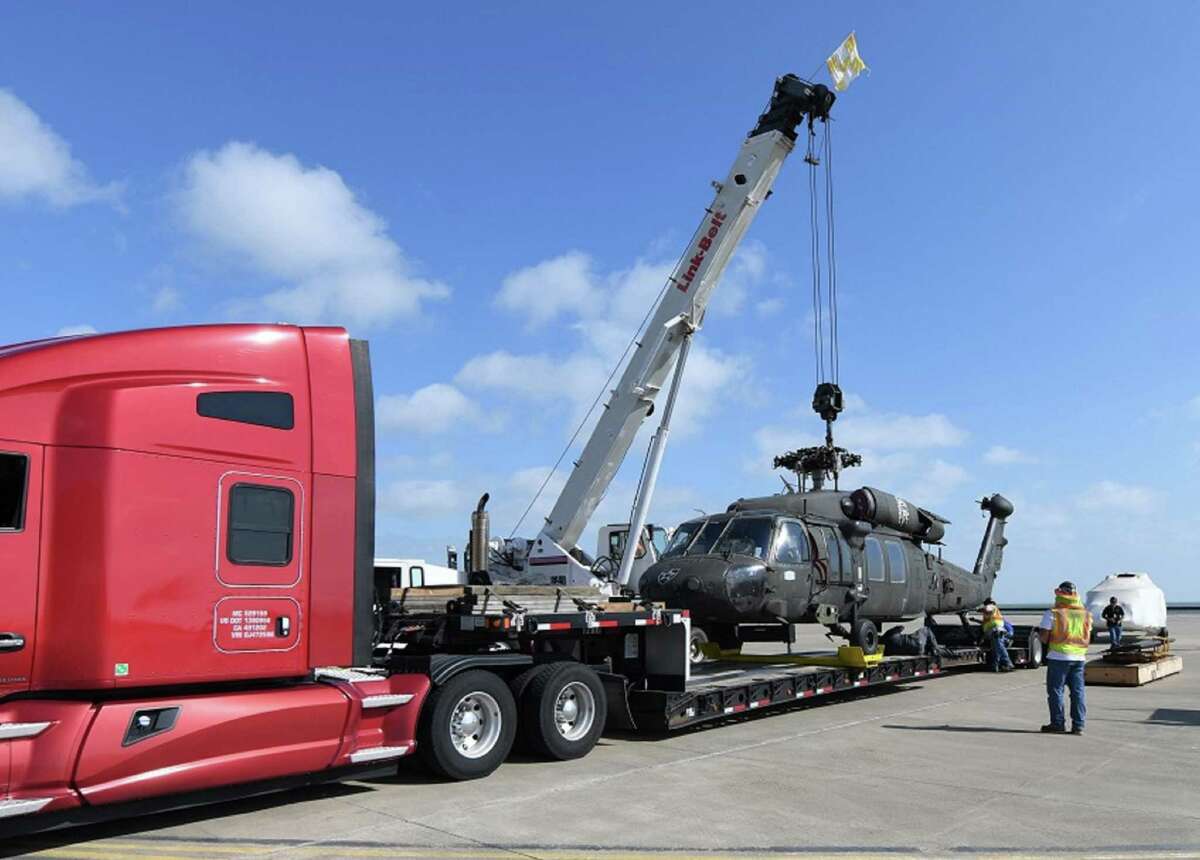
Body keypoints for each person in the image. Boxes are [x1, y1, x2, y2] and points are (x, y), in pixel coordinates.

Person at [1039, 581, 1092, 735]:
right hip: (1079, 657)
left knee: (1056, 691)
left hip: (1059, 657)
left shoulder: (1054, 613)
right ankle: (1078, 726)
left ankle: (1057, 723)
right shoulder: (1086, 613)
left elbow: (1043, 638)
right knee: (1078, 692)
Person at [981, 600, 1014, 672]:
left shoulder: (992, 607)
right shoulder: (992, 614)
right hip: (994, 632)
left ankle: (1007, 663)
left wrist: (980, 609)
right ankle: (997, 665)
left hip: (996, 631)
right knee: (997, 649)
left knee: (999, 647)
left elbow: (988, 608)